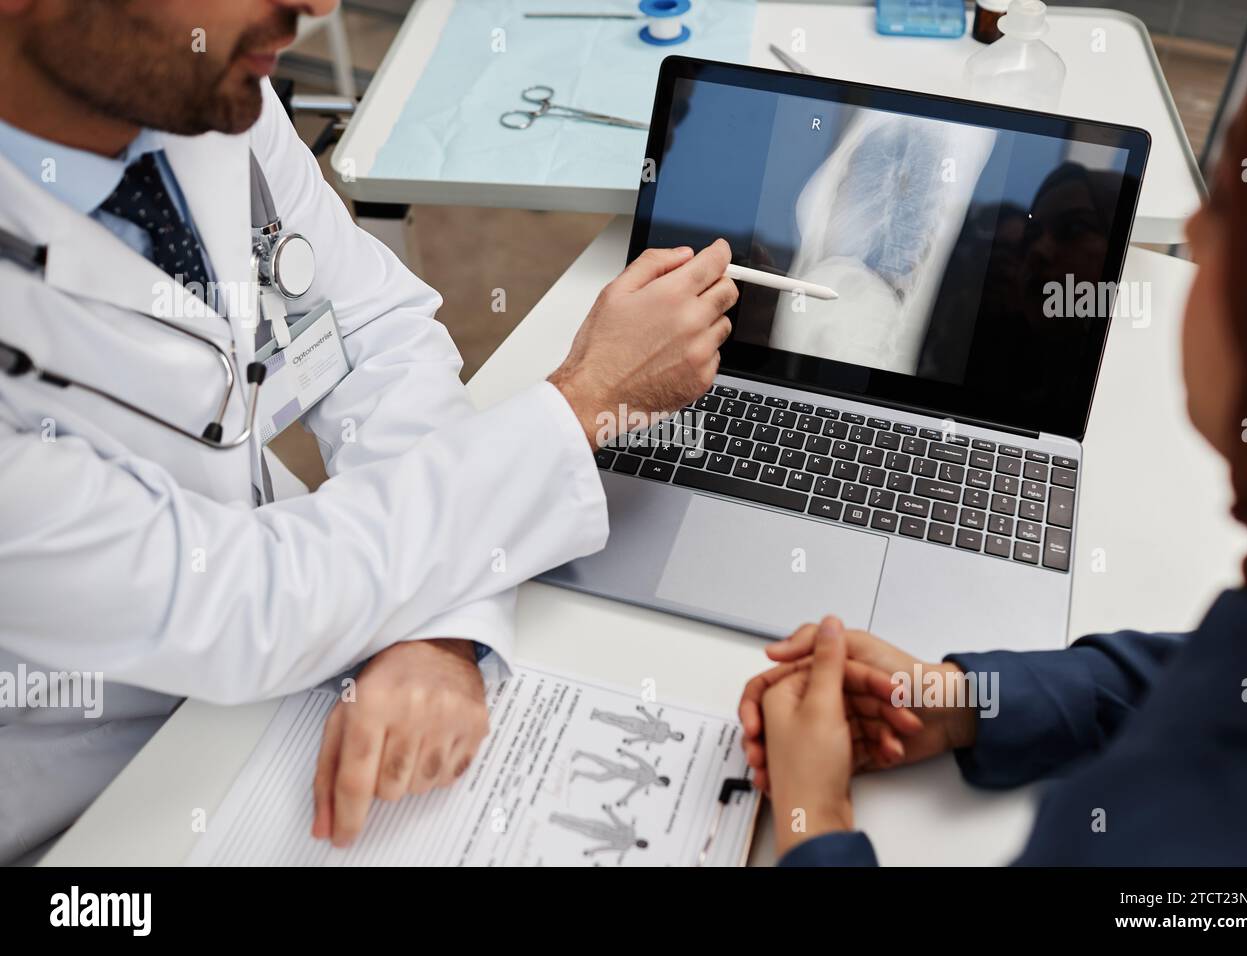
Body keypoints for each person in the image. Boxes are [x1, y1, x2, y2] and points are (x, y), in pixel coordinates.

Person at [0, 0, 736, 863]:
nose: (316, 6)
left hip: (310, 658)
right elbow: (238, 600)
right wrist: (581, 403)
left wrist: (432, 633)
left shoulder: (198, 83)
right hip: (99, 803)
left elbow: (375, 337)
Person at [739, 4, 1247, 866]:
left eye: (1226, 209)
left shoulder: (1173, 838)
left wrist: (813, 819)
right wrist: (972, 698)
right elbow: (1229, 682)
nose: (1188, 235)